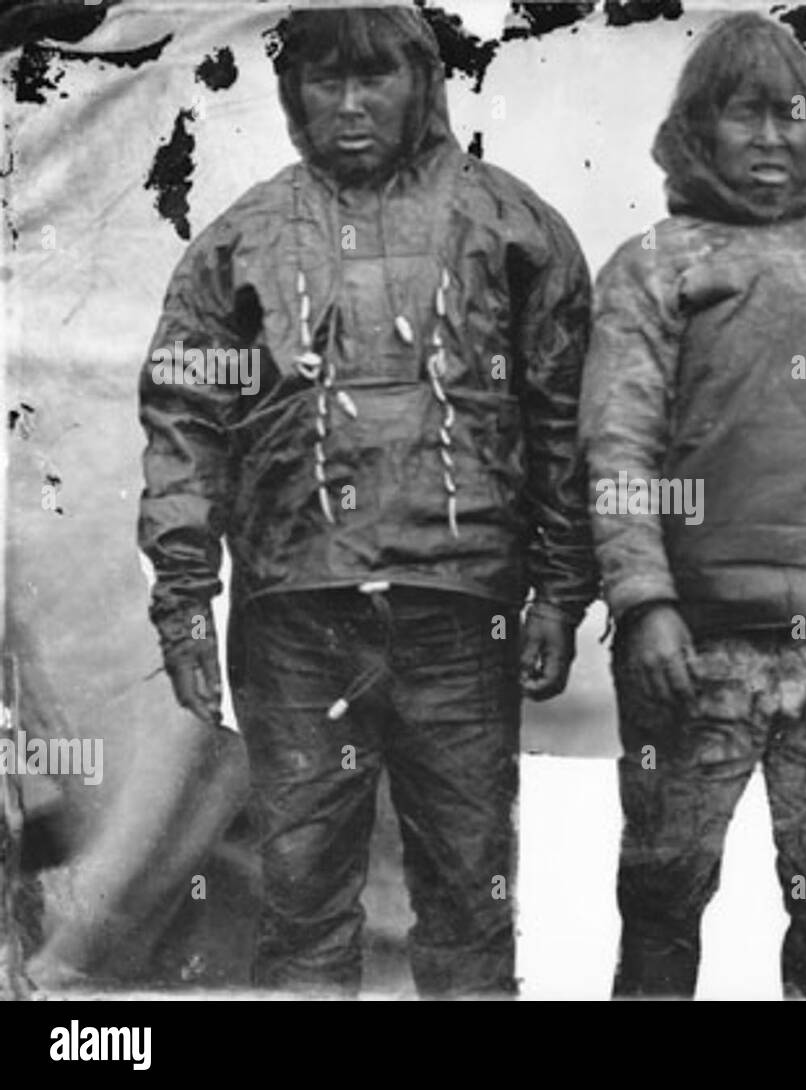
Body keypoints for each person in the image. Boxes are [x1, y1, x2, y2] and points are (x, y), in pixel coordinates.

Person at [137, 8, 596, 997]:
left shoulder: (513, 227)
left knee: (472, 895)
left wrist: (561, 591)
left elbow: (563, 418)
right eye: (323, 79)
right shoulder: (238, 244)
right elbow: (185, 421)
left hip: (458, 612)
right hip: (296, 616)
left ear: (424, 80)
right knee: (300, 896)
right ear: (291, 91)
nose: (349, 104)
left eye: (375, 77)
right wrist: (181, 599)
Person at [580, 12, 806, 999]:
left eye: (792, 117)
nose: (772, 138)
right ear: (699, 128)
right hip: (699, 650)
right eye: (745, 114)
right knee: (662, 892)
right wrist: (644, 601)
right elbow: (618, 443)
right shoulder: (656, 265)